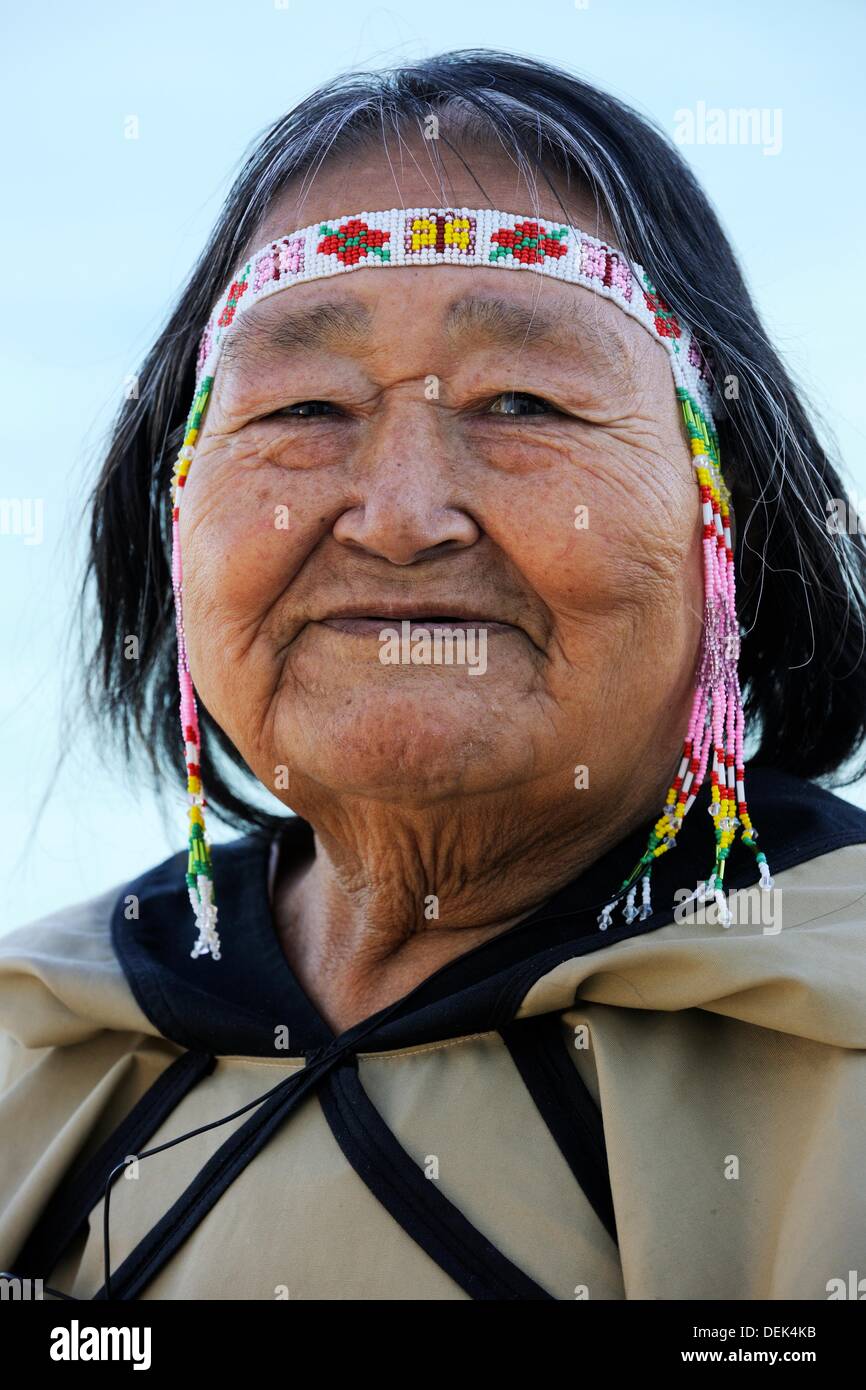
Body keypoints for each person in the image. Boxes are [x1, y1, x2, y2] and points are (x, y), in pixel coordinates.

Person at [2, 48, 866, 1301]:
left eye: (522, 403)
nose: (400, 517)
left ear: (722, 516)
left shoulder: (829, 1046)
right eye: (300, 408)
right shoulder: (43, 1042)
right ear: (174, 518)